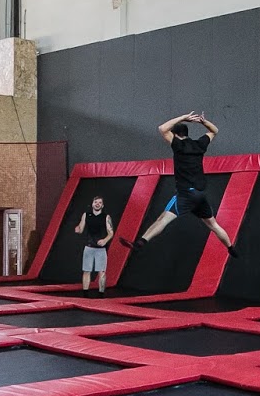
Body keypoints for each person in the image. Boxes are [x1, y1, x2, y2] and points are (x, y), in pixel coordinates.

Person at [120, 111, 238, 256]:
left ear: (175, 135)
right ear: (187, 134)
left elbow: (162, 128)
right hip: (200, 194)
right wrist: (202, 121)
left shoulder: (178, 145)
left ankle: (140, 243)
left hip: (186, 193)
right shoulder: (199, 145)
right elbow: (215, 130)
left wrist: (183, 117)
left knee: (163, 219)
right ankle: (231, 248)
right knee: (213, 224)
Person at [74, 195, 115, 294]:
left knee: (102, 272)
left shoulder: (106, 217)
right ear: (92, 204)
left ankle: (101, 294)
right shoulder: (86, 215)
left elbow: (111, 232)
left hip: (101, 249)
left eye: (99, 203)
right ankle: (85, 294)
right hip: (89, 247)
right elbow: (81, 229)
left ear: (102, 205)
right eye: (96, 202)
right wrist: (78, 229)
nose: (97, 204)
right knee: (86, 271)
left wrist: (105, 240)